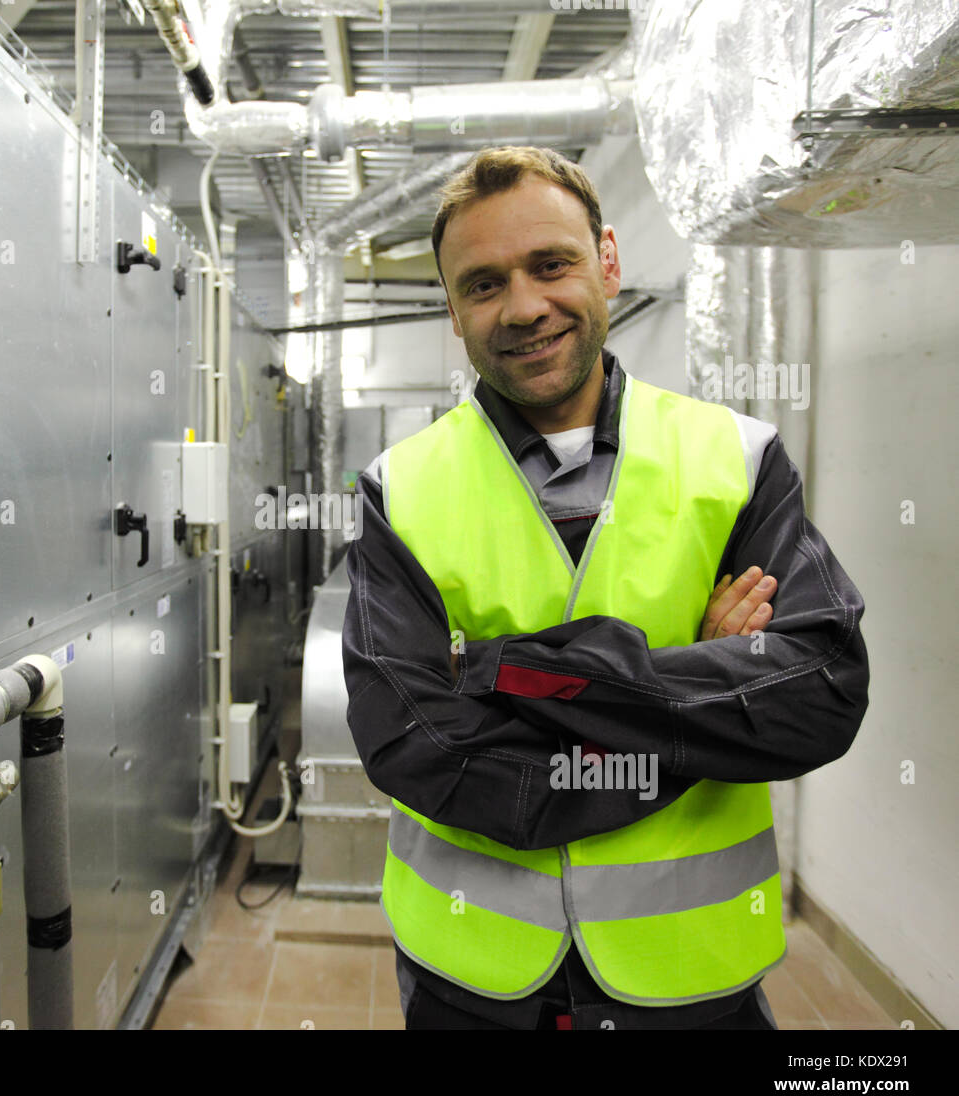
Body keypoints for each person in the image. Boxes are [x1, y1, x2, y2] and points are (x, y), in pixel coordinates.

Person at [341, 146, 870, 1030]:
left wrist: (504, 672)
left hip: (690, 978)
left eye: (552, 264)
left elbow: (818, 692)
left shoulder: (734, 460)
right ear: (453, 308)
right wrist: (690, 695)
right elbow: (415, 744)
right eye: (482, 283)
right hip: (471, 979)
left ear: (609, 262)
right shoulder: (402, 488)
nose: (523, 307)